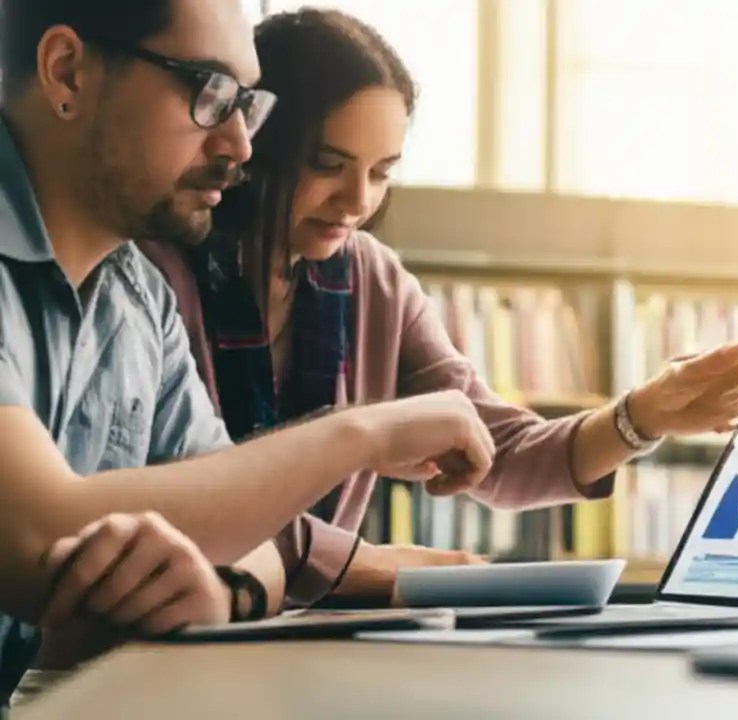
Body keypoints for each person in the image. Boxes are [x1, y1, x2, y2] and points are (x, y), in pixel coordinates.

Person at [137, 8, 738, 607]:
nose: (358, 201)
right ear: (257, 140)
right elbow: (181, 493)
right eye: (327, 163)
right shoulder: (154, 272)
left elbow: (498, 450)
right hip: (173, 634)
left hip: (297, 633)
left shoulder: (373, 281)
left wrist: (643, 415)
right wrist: (358, 563)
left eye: (381, 172)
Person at [0, 0, 521, 704]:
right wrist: (364, 434)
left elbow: (258, 537)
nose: (242, 146)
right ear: (67, 71)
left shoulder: (137, 299)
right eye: (209, 93)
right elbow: (38, 534)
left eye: (246, 104)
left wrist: (221, 593)